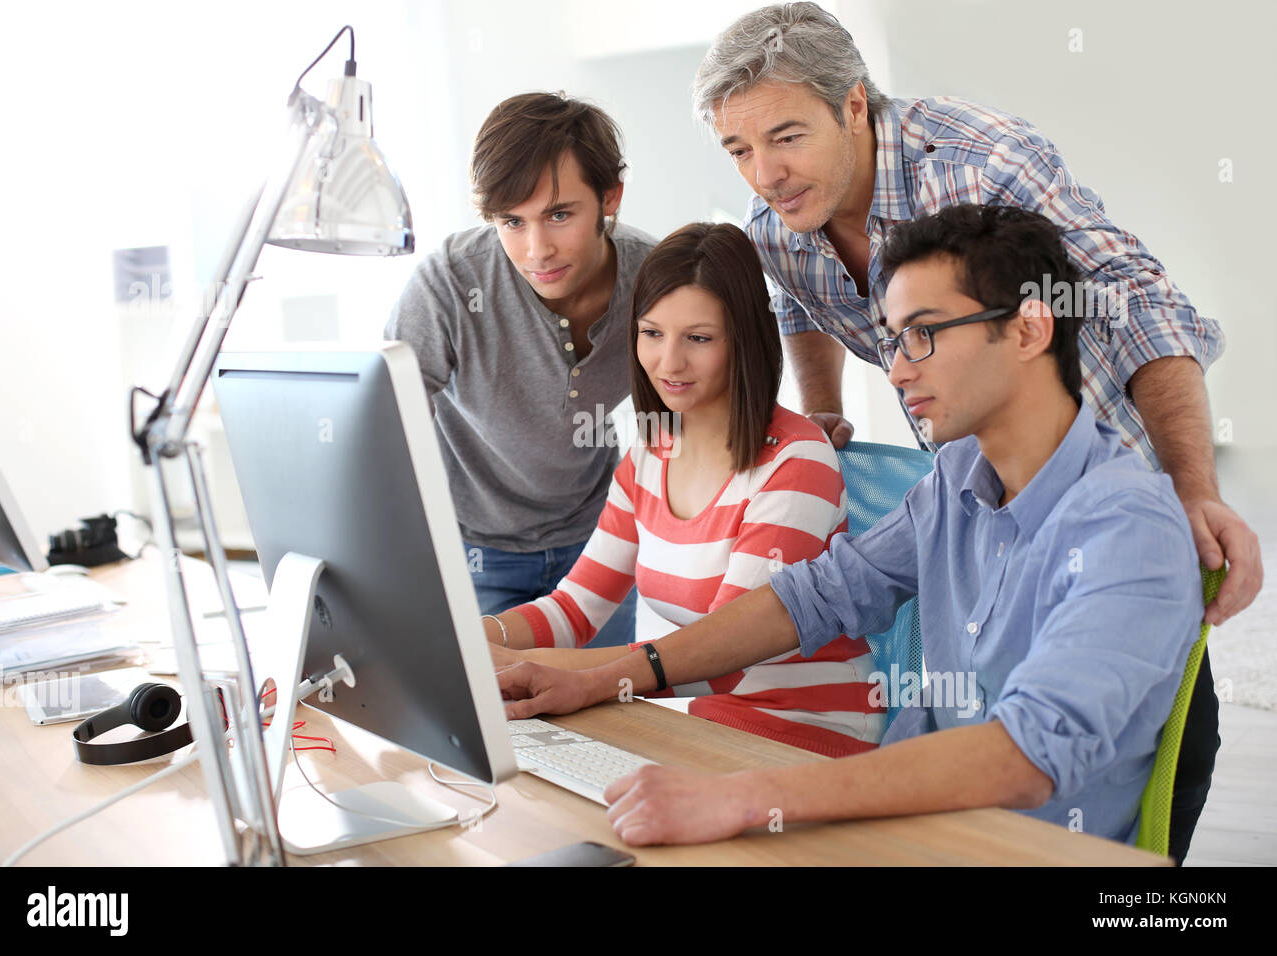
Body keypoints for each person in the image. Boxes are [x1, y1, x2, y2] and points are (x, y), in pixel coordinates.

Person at [690, 1, 1261, 859]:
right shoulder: (780, 223)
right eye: (738, 149)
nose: (764, 174)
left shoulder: (978, 164)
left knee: (1122, 731)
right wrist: (822, 406)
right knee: (978, 703)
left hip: (1097, 472)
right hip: (975, 487)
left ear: (854, 104)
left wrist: (1191, 487)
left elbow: (1140, 304)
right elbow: (798, 301)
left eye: (786, 137)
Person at [497, 204, 1203, 851]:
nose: (897, 371)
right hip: (904, 828)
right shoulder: (958, 476)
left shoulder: (1127, 528)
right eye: (894, 340)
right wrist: (612, 676)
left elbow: (1027, 755)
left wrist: (743, 796)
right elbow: (819, 594)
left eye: (924, 335)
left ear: (1028, 329)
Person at [485, 222, 884, 758]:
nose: (668, 363)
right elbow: (574, 609)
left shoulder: (796, 460)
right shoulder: (651, 453)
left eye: (698, 338)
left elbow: (725, 656)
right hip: (710, 723)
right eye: (652, 333)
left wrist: (521, 667)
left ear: (744, 340)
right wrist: (474, 639)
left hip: (810, 731)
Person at [385, 93, 656, 647]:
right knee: (492, 701)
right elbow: (384, 429)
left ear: (610, 197)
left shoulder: (653, 278)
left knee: (607, 698)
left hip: (597, 542)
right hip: (475, 550)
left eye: (559, 215)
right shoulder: (450, 283)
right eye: (512, 221)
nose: (537, 251)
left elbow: (692, 409)